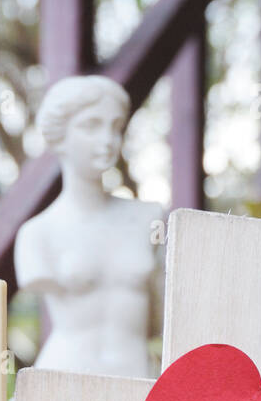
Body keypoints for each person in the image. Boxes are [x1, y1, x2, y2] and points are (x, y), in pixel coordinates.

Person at [14, 74, 163, 378]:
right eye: (91, 125)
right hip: (65, 378)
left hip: (138, 378)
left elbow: (163, 319)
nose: (107, 140)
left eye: (115, 126)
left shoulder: (150, 218)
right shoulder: (37, 234)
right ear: (59, 136)